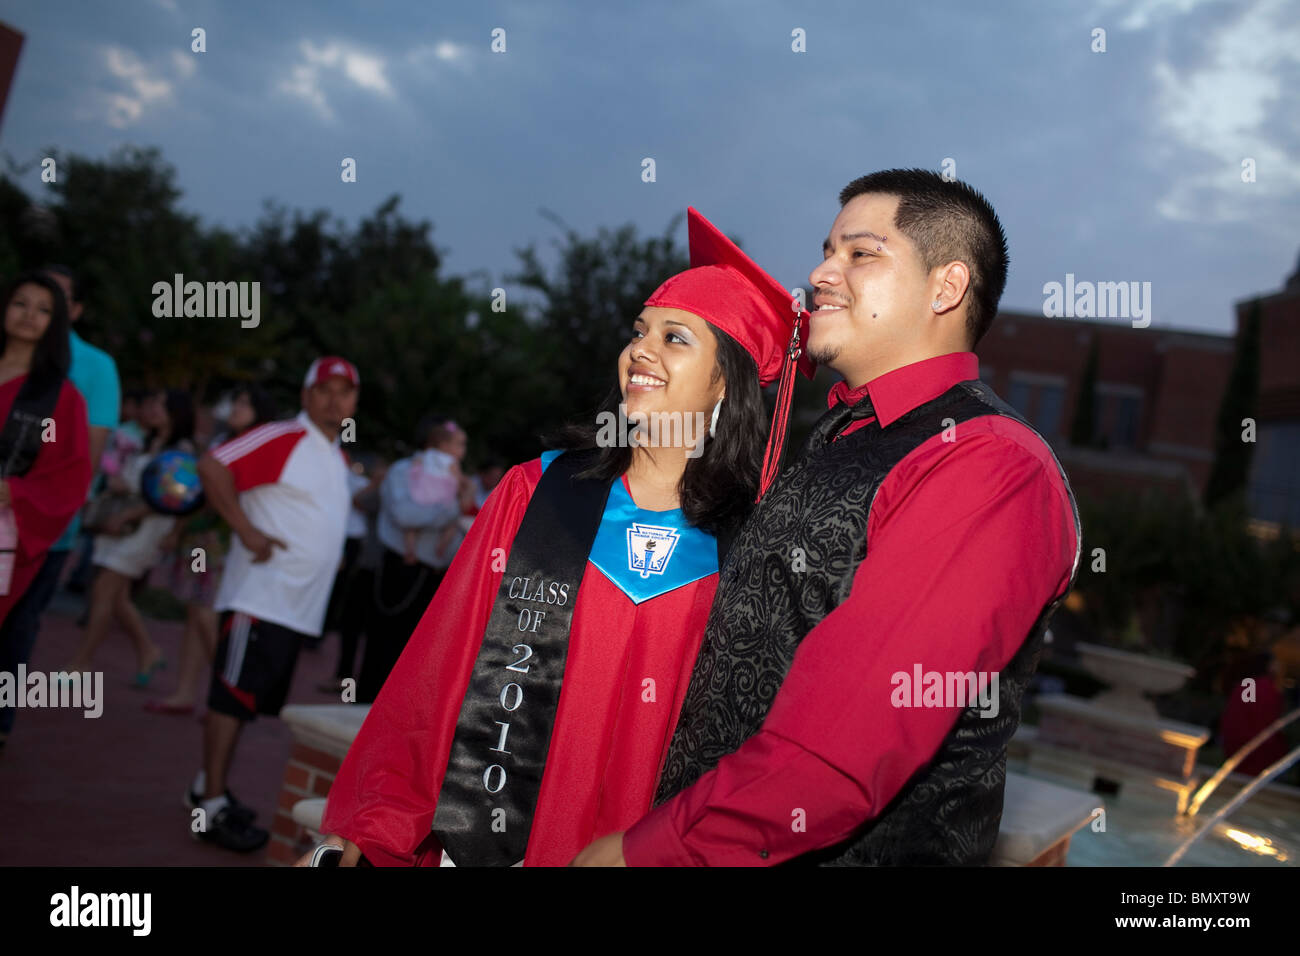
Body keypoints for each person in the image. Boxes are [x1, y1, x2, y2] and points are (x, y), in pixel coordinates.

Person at [573, 170, 1081, 867]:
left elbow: (844, 747)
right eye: (826, 250)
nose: (819, 273)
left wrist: (644, 853)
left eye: (860, 254)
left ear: (947, 286)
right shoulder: (842, 440)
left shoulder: (989, 464)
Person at [304, 207, 815, 867]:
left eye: (675, 337)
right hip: (495, 837)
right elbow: (439, 671)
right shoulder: (536, 494)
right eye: (640, 332)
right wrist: (371, 827)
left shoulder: (753, 543)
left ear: (725, 382)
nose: (641, 351)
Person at [188, 357, 358, 852]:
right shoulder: (284, 436)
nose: (334, 400)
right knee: (228, 702)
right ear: (306, 395)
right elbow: (211, 465)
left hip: (294, 609)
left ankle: (206, 788)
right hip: (259, 599)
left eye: (345, 392)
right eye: (324, 389)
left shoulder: (337, 455)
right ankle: (211, 806)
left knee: (244, 707)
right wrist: (246, 530)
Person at [0, 267, 113, 745]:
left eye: (44, 310)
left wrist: (14, 492)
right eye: (21, 303)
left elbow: (72, 473)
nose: (29, 317)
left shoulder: (61, 398)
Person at [146, 385, 277, 714]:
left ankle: (222, 694)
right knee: (194, 611)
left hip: (221, 542)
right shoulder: (223, 442)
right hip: (200, 537)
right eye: (236, 400)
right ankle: (186, 692)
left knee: (206, 614)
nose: (236, 406)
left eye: (246, 402)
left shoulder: (257, 447)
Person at [64, 388, 196, 683]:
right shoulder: (148, 443)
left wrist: (127, 513)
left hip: (142, 529)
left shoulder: (181, 451)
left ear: (176, 411)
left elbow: (172, 499)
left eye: (161, 404)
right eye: (151, 403)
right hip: (120, 525)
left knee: (103, 591)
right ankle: (149, 651)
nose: (152, 409)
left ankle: (80, 663)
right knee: (118, 598)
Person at [355, 416, 472, 703]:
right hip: (401, 569)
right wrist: (451, 510)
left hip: (434, 573)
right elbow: (406, 515)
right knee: (383, 647)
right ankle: (361, 713)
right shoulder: (403, 471)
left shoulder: (455, 477)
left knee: (417, 653)